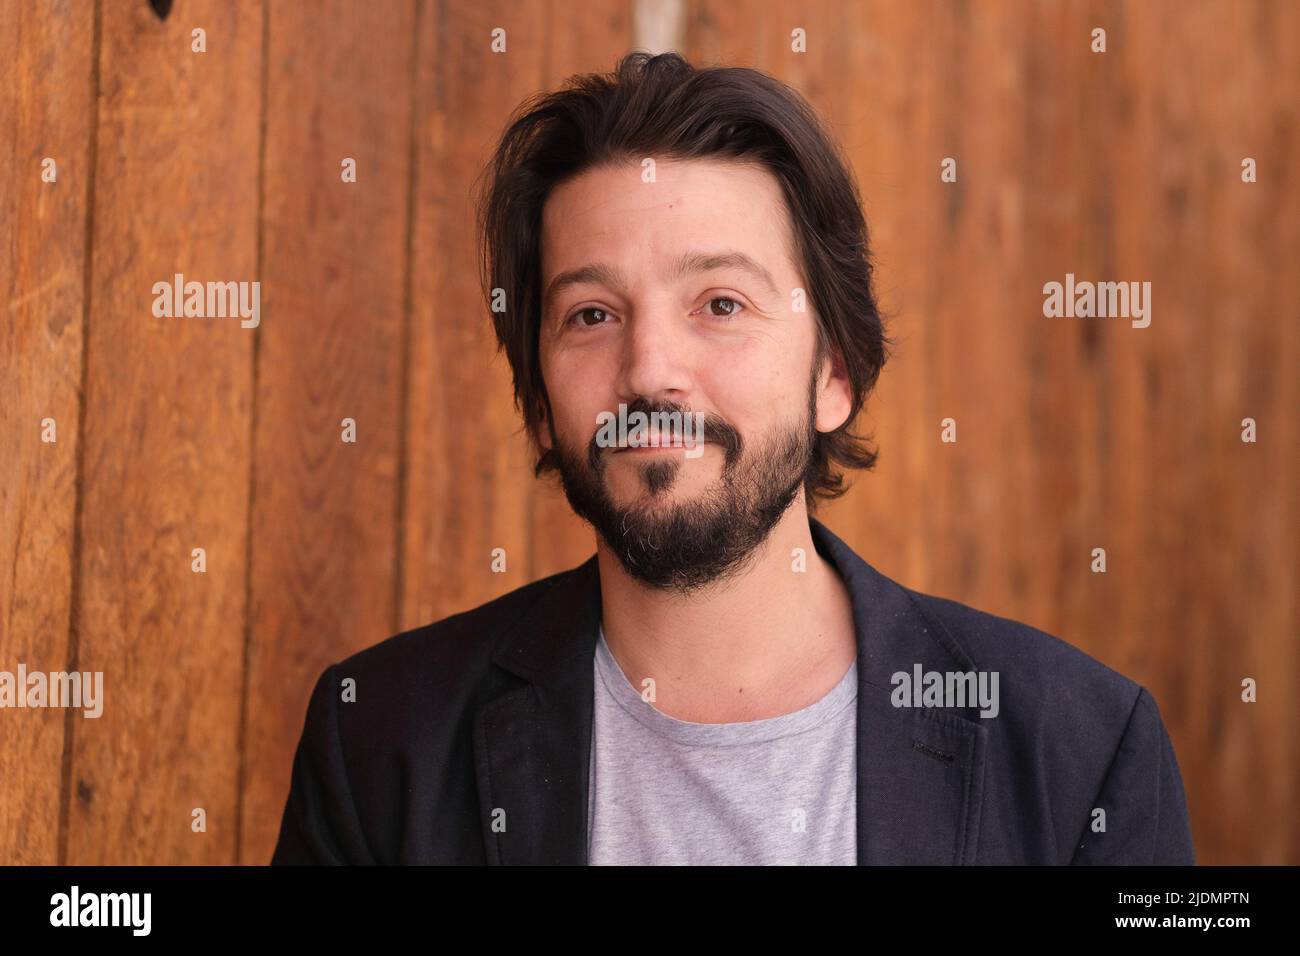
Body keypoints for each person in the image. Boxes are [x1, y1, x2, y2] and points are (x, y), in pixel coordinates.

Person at [271, 52, 1194, 865]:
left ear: (834, 372)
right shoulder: (380, 742)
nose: (650, 372)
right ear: (542, 404)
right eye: (592, 315)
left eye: (720, 304)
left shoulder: (1080, 754)